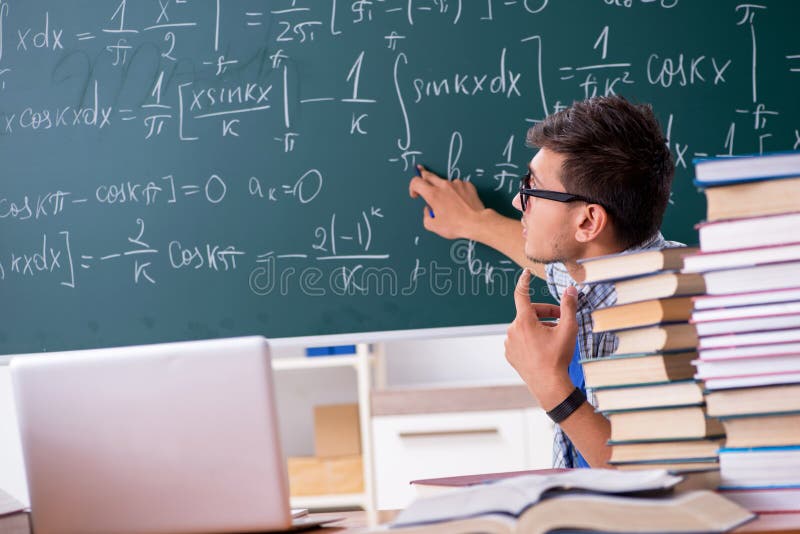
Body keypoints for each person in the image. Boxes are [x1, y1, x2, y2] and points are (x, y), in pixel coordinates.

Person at [408, 95, 680, 468]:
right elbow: (542, 261)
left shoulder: (669, 320)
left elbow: (654, 475)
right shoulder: (593, 271)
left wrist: (550, 386)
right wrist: (473, 222)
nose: (519, 204)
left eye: (531, 190)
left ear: (587, 222)